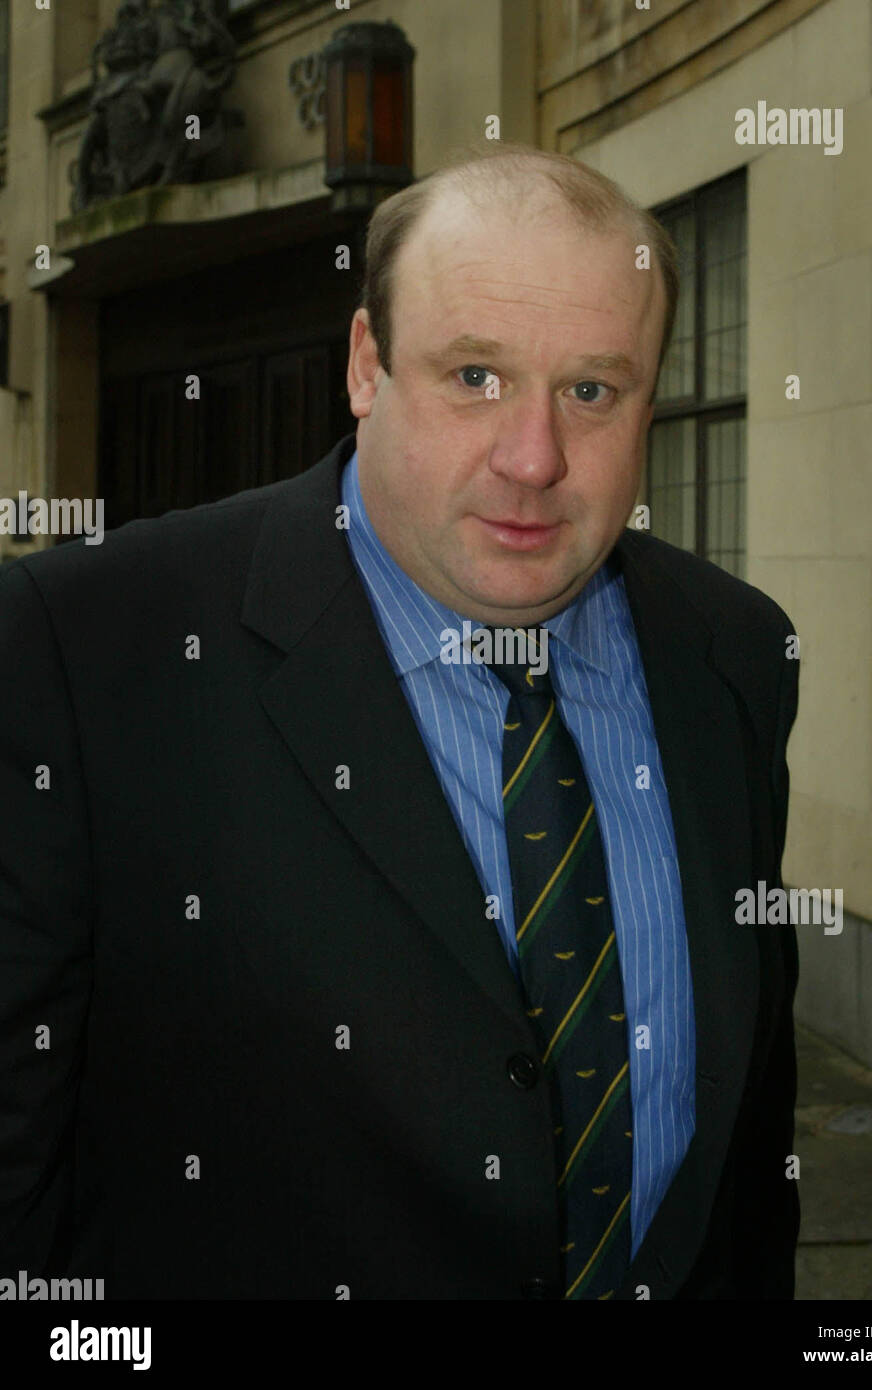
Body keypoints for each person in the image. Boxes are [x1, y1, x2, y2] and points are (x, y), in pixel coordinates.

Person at [0, 141, 799, 1299]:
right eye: (475, 375)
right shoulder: (86, 645)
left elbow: (748, 1140)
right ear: (367, 364)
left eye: (590, 390)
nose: (533, 459)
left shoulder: (733, 653)